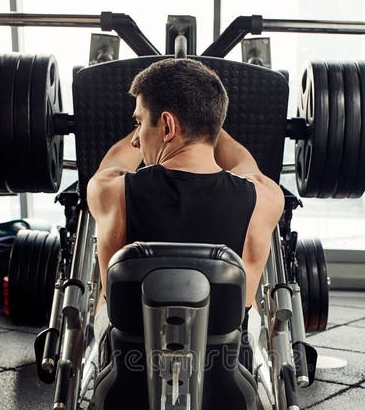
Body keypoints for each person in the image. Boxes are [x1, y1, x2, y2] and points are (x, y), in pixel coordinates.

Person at [86, 57, 284, 356]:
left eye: (138, 123)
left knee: (104, 301)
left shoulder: (111, 191)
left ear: (167, 125)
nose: (137, 139)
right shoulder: (264, 198)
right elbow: (245, 166)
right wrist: (210, 121)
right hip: (225, 358)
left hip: (128, 355)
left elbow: (113, 162)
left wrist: (160, 123)